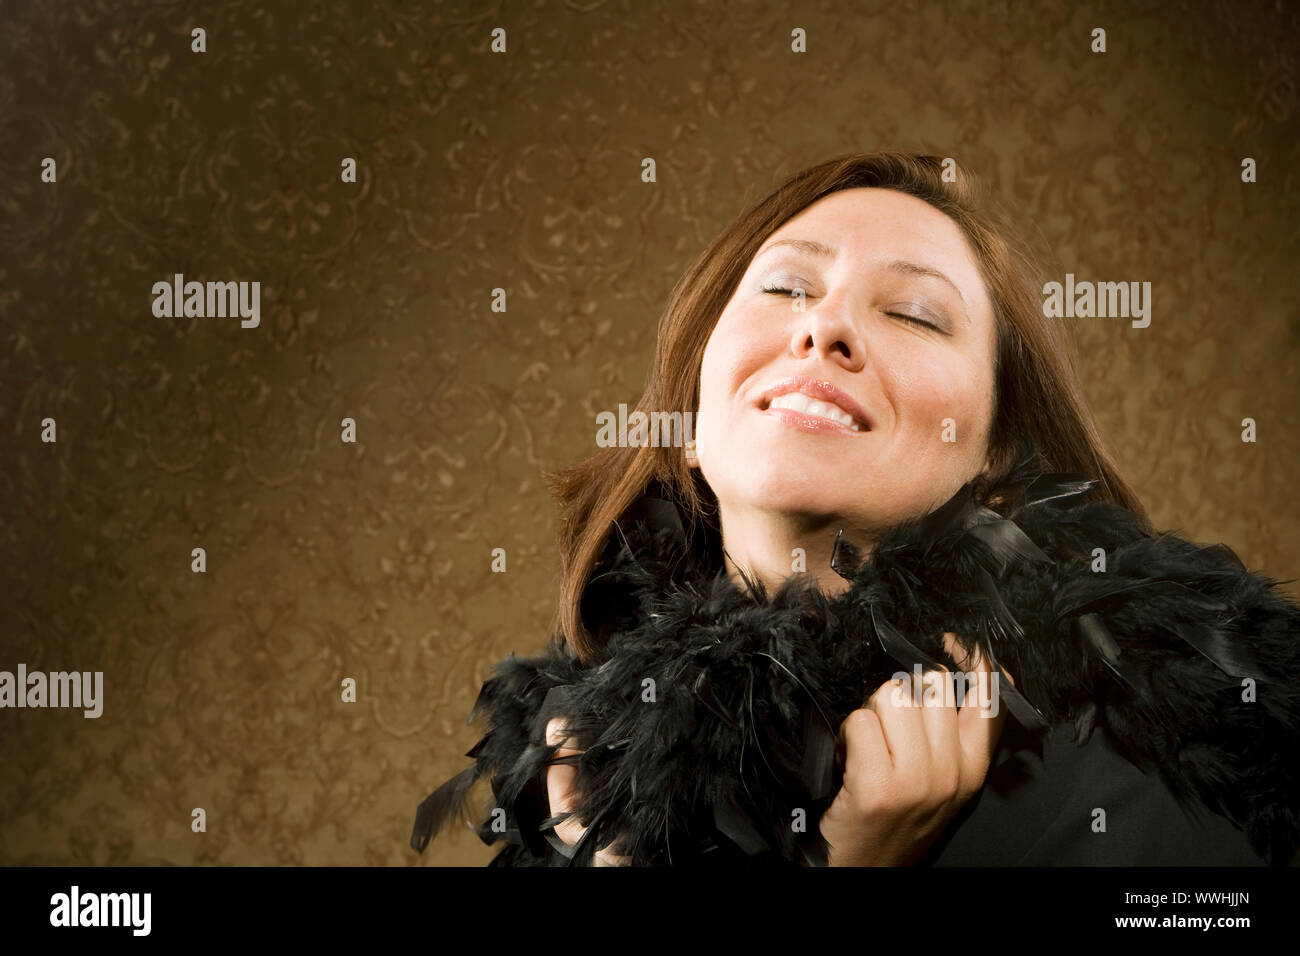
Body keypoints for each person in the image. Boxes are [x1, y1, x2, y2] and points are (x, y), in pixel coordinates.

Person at [411, 152, 1300, 866]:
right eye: (787, 288)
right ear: (687, 423)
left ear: (994, 462)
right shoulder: (579, 794)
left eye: (914, 313)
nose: (823, 326)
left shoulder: (1149, 771)